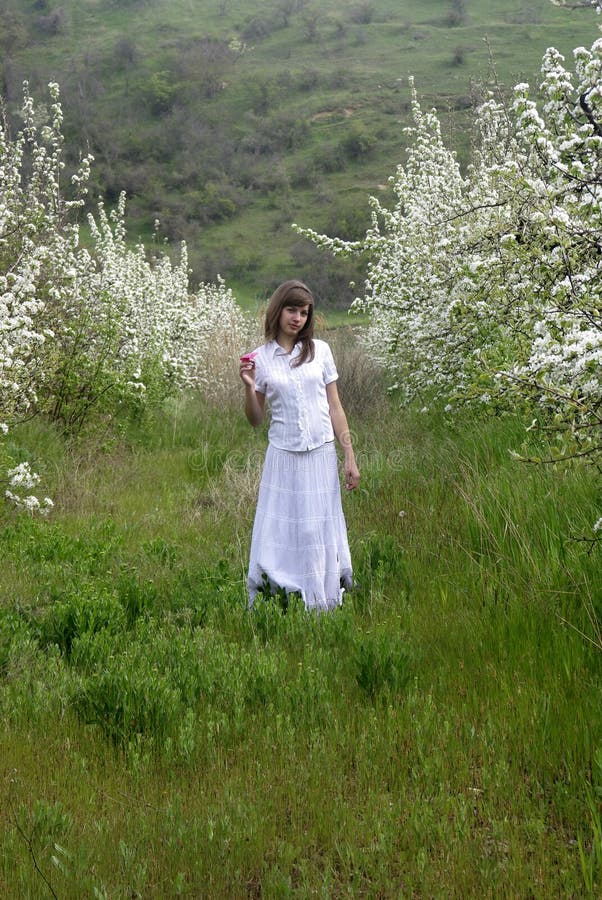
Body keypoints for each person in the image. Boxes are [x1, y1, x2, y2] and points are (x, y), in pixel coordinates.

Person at [239, 279, 360, 612]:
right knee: (283, 527)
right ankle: (279, 593)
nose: (298, 318)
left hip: (321, 453)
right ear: (278, 310)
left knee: (316, 528)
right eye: (292, 310)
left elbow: (335, 406)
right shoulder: (261, 359)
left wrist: (348, 453)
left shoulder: (320, 351)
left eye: (304, 312)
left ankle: (320, 598)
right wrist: (249, 387)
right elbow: (255, 419)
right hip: (283, 455)